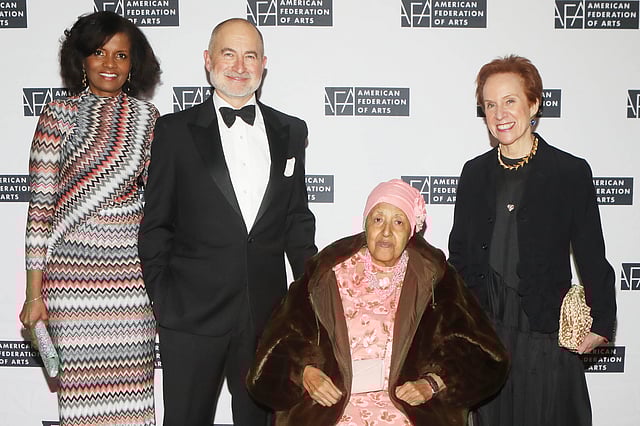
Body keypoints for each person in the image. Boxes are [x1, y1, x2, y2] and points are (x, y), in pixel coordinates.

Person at [138, 18, 317, 426]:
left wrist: (312, 295)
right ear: (208, 60)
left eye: (250, 56)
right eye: (228, 54)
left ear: (264, 65)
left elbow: (296, 220)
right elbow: (156, 225)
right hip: (190, 315)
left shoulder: (291, 131)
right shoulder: (174, 131)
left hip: (266, 316)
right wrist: (164, 298)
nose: (239, 66)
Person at [247, 179, 509, 426]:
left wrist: (433, 383)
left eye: (398, 222)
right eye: (378, 219)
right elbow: (273, 351)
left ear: (411, 231)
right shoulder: (325, 274)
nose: (386, 232)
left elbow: (486, 357)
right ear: (366, 224)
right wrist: (304, 373)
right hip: (331, 409)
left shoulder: (436, 279)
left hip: (407, 410)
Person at [448, 55, 616, 426]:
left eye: (510, 101)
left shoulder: (569, 172)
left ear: (534, 104)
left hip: (545, 333)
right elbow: (458, 256)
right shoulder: (474, 174)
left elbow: (591, 253)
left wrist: (602, 322)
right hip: (488, 336)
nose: (500, 114)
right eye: (490, 105)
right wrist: (457, 325)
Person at [19, 11, 161, 426]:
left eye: (121, 55)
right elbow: (40, 210)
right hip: (71, 284)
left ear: (133, 63)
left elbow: (159, 201)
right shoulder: (57, 115)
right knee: (82, 405)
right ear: (81, 59)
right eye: (99, 52)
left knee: (133, 400)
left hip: (131, 282)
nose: (110, 64)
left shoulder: (148, 119)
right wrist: (33, 295)